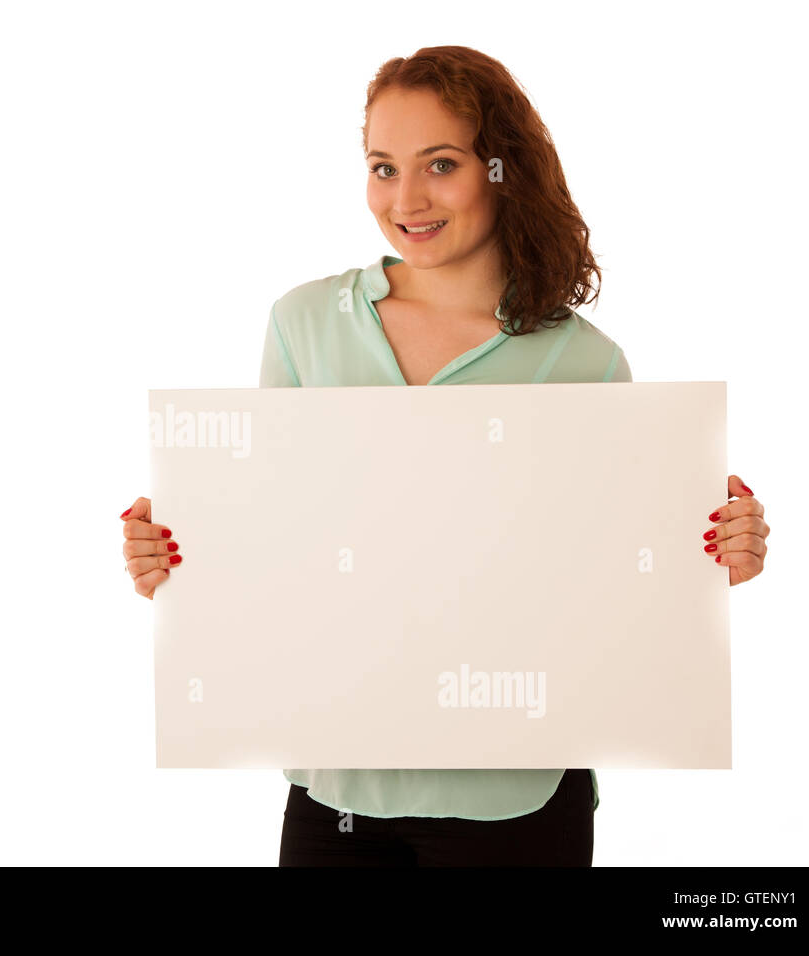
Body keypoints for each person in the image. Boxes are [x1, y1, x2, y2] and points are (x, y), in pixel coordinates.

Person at [119, 45, 770, 866]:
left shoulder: (587, 363)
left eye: (440, 164)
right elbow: (272, 545)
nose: (407, 198)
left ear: (503, 170)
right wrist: (180, 561)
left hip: (523, 800)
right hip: (341, 794)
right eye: (383, 167)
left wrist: (712, 550)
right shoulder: (304, 325)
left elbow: (615, 582)